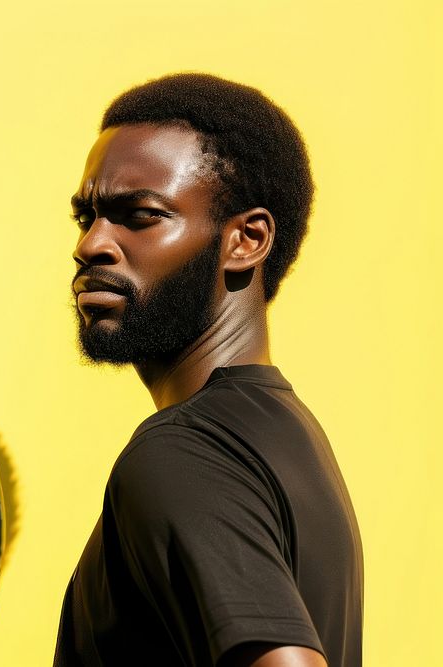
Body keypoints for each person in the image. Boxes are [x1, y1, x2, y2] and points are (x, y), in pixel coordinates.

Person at [54, 73, 363, 667]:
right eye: (86, 217)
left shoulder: (183, 453)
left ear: (246, 239)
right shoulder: (285, 436)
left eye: (138, 216)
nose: (92, 243)